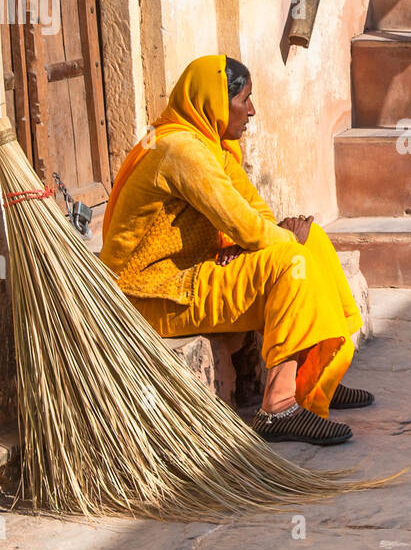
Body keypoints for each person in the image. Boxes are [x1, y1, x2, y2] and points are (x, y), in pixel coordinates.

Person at [100, 54, 371, 445]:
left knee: (314, 240)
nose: (252, 111)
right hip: (154, 292)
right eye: (244, 100)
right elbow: (245, 226)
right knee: (292, 261)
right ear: (214, 103)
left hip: (192, 275)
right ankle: (278, 409)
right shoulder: (180, 151)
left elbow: (255, 213)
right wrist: (264, 239)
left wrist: (252, 239)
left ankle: (317, 376)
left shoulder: (213, 147)